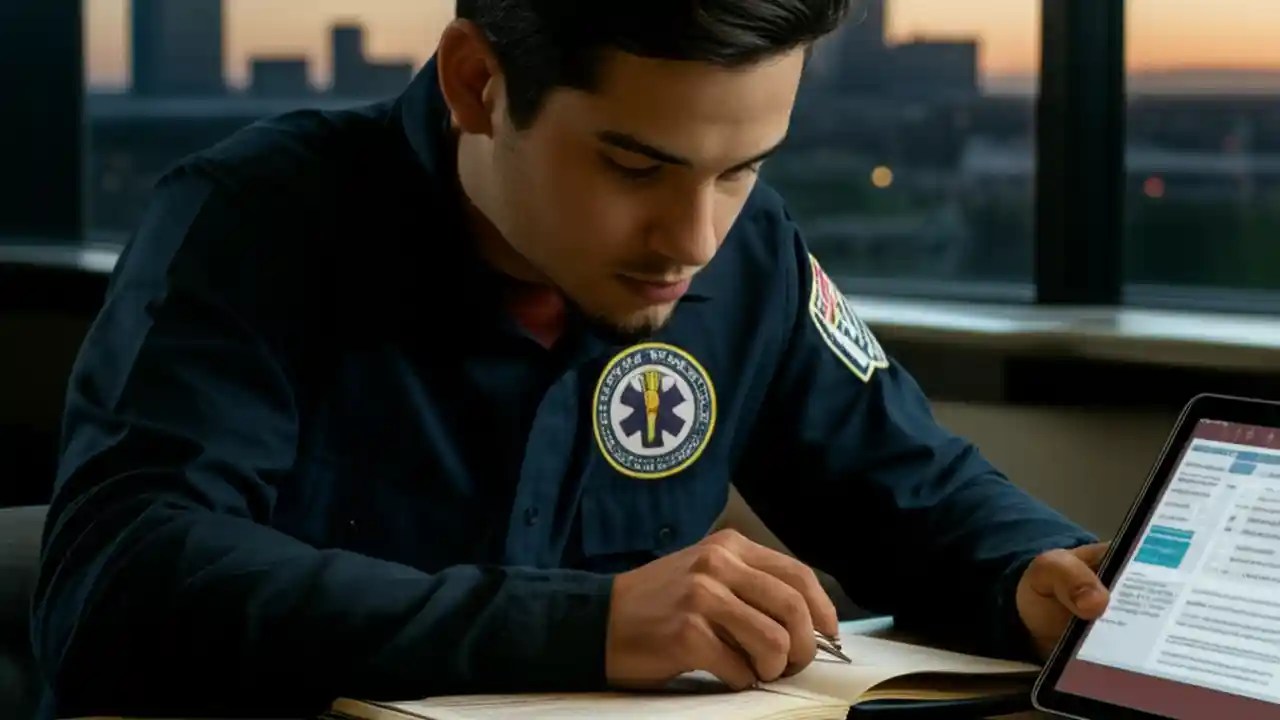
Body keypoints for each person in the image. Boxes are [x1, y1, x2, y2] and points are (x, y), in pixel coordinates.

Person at [31, 0, 1111, 717]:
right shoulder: (252, 224)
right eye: (636, 165)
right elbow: (123, 575)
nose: (692, 240)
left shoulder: (753, 256)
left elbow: (906, 485)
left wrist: (1030, 574)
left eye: (740, 169)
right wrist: (582, 626)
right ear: (475, 84)